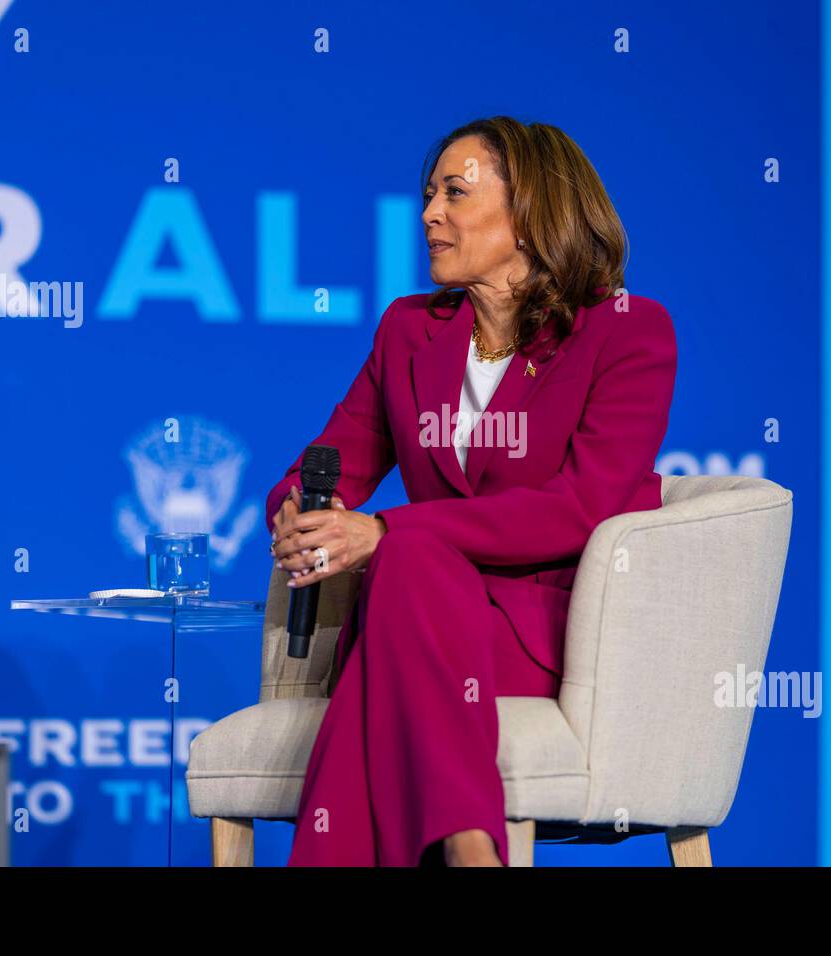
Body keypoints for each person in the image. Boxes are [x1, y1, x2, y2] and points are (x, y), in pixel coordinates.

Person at [266, 116, 677, 866]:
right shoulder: (409, 331)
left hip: (544, 633)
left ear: (532, 211)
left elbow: (582, 506)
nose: (428, 214)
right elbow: (326, 460)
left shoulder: (625, 331)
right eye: (429, 195)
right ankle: (470, 847)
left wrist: (390, 534)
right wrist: (300, 513)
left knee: (407, 562)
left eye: (456, 193)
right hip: (420, 620)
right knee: (412, 570)